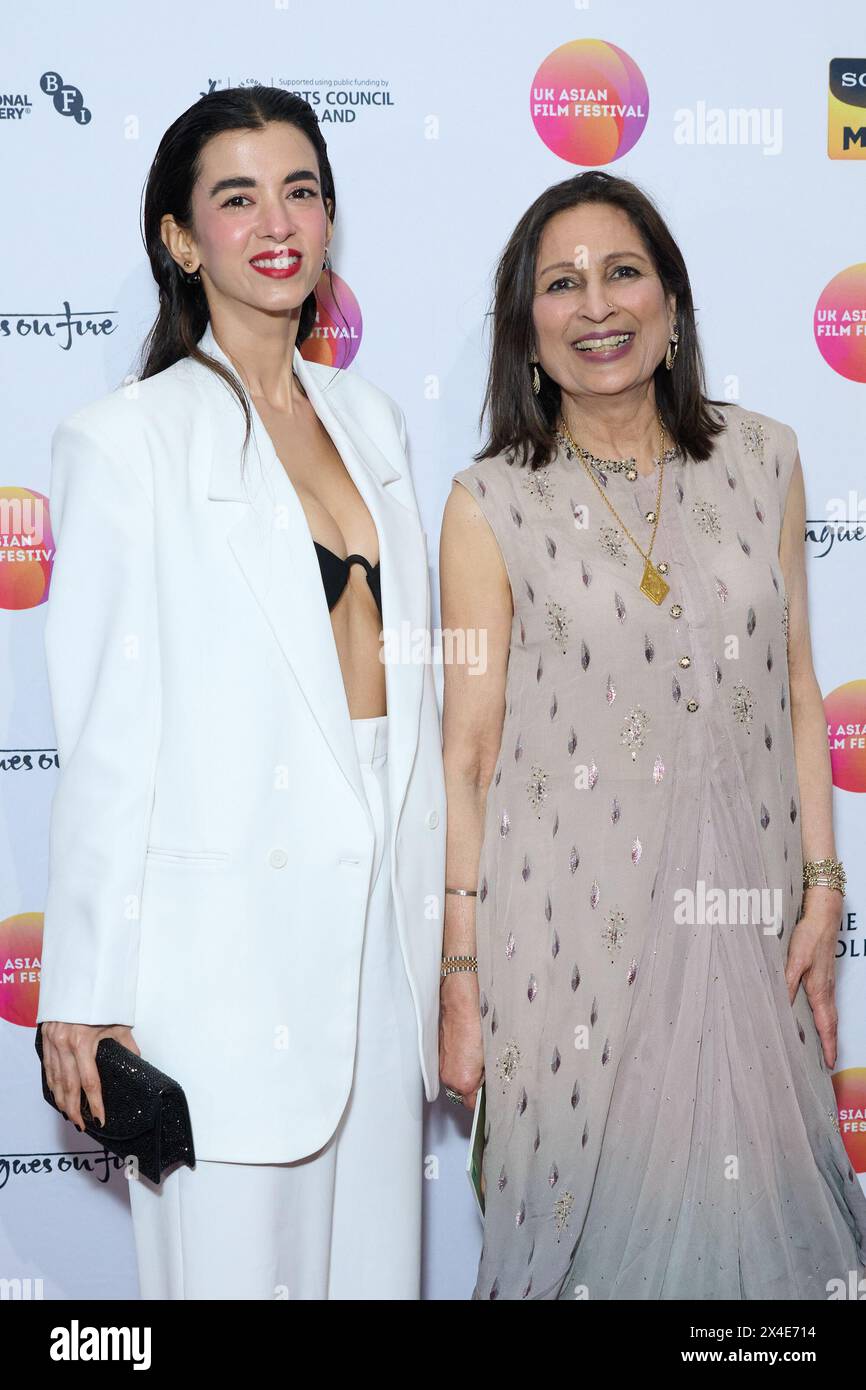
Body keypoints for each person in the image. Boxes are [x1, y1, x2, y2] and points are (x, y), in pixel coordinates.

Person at [35, 85, 446, 1300]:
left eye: (301, 190)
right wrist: (87, 998)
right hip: (215, 975)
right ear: (178, 237)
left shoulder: (371, 421)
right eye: (236, 196)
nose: (277, 221)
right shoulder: (126, 443)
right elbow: (108, 742)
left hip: (378, 962)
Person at [438, 169, 866, 1300]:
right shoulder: (488, 503)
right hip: (569, 944)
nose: (596, 305)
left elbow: (792, 686)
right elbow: (466, 761)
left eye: (622, 272)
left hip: (744, 921)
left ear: (670, 306)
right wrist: (462, 973)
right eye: (560, 283)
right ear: (523, 332)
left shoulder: (763, 456)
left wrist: (822, 885)